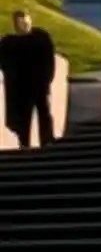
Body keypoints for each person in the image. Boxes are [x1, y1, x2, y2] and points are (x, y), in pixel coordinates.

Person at [0, 9, 57, 149]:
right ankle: (24, 142)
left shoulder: (41, 38)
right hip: (22, 86)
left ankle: (47, 140)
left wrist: (47, 79)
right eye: (19, 23)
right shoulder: (9, 43)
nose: (23, 25)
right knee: (24, 116)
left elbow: (49, 61)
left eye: (25, 21)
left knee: (43, 111)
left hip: (38, 83)